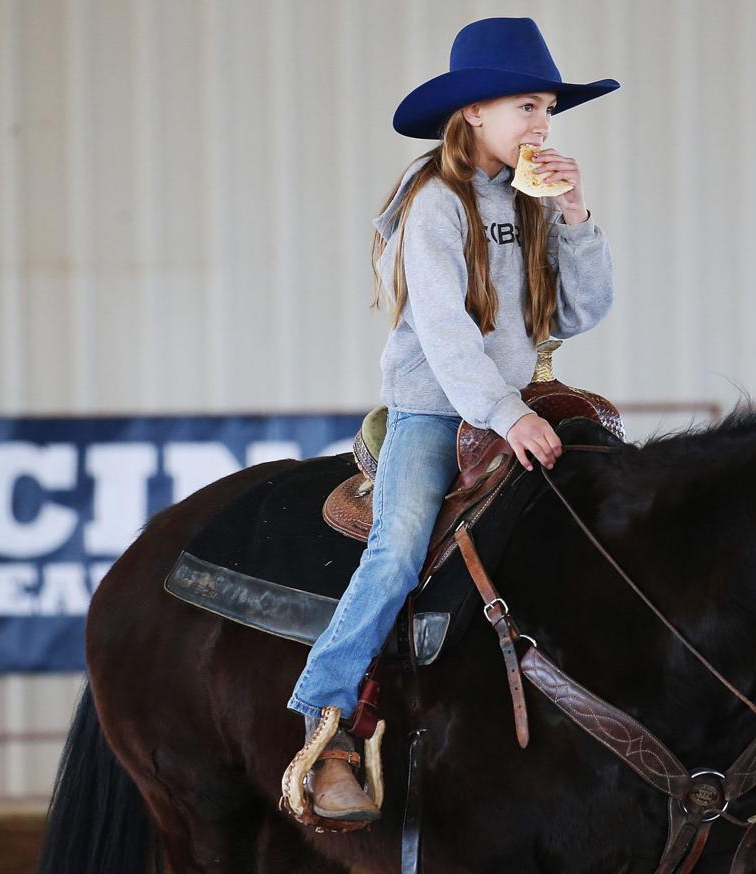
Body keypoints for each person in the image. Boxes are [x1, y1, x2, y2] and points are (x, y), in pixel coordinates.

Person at [283, 17, 618, 822]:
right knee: (400, 547)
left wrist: (575, 215)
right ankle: (324, 721)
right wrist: (504, 413)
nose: (541, 124)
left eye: (547, 110)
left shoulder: (529, 198)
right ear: (473, 112)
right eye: (525, 107)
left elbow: (585, 308)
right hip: (437, 411)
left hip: (515, 406)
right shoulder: (434, 202)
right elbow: (443, 329)